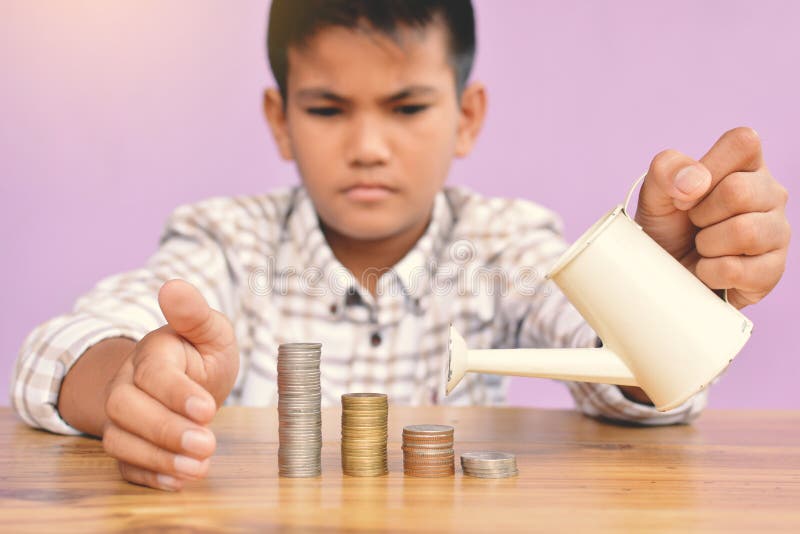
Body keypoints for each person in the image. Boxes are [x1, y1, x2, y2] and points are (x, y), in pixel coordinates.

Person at [10, 0, 790, 492]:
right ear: (280, 120)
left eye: (408, 105)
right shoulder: (225, 238)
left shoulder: (505, 243)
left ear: (468, 117)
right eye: (326, 109)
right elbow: (57, 349)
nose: (369, 147)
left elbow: (650, 395)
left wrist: (657, 307)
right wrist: (130, 377)